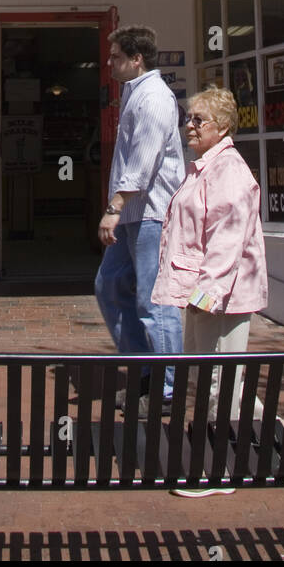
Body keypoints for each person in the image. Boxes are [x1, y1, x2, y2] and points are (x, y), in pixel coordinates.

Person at [152, 85, 268, 497]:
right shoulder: (206, 166)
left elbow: (227, 241)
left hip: (222, 297)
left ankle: (213, 472)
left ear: (220, 127)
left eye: (198, 120)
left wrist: (205, 296)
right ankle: (264, 437)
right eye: (188, 118)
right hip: (204, 294)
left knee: (214, 381)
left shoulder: (229, 172)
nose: (190, 125)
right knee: (215, 375)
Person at [95, 24, 184, 411]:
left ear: (137, 59)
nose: (109, 63)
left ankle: (167, 389)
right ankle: (146, 368)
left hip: (151, 213)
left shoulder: (153, 99)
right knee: (110, 285)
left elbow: (143, 164)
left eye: (116, 56)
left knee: (155, 302)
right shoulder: (134, 96)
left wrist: (112, 209)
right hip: (135, 214)